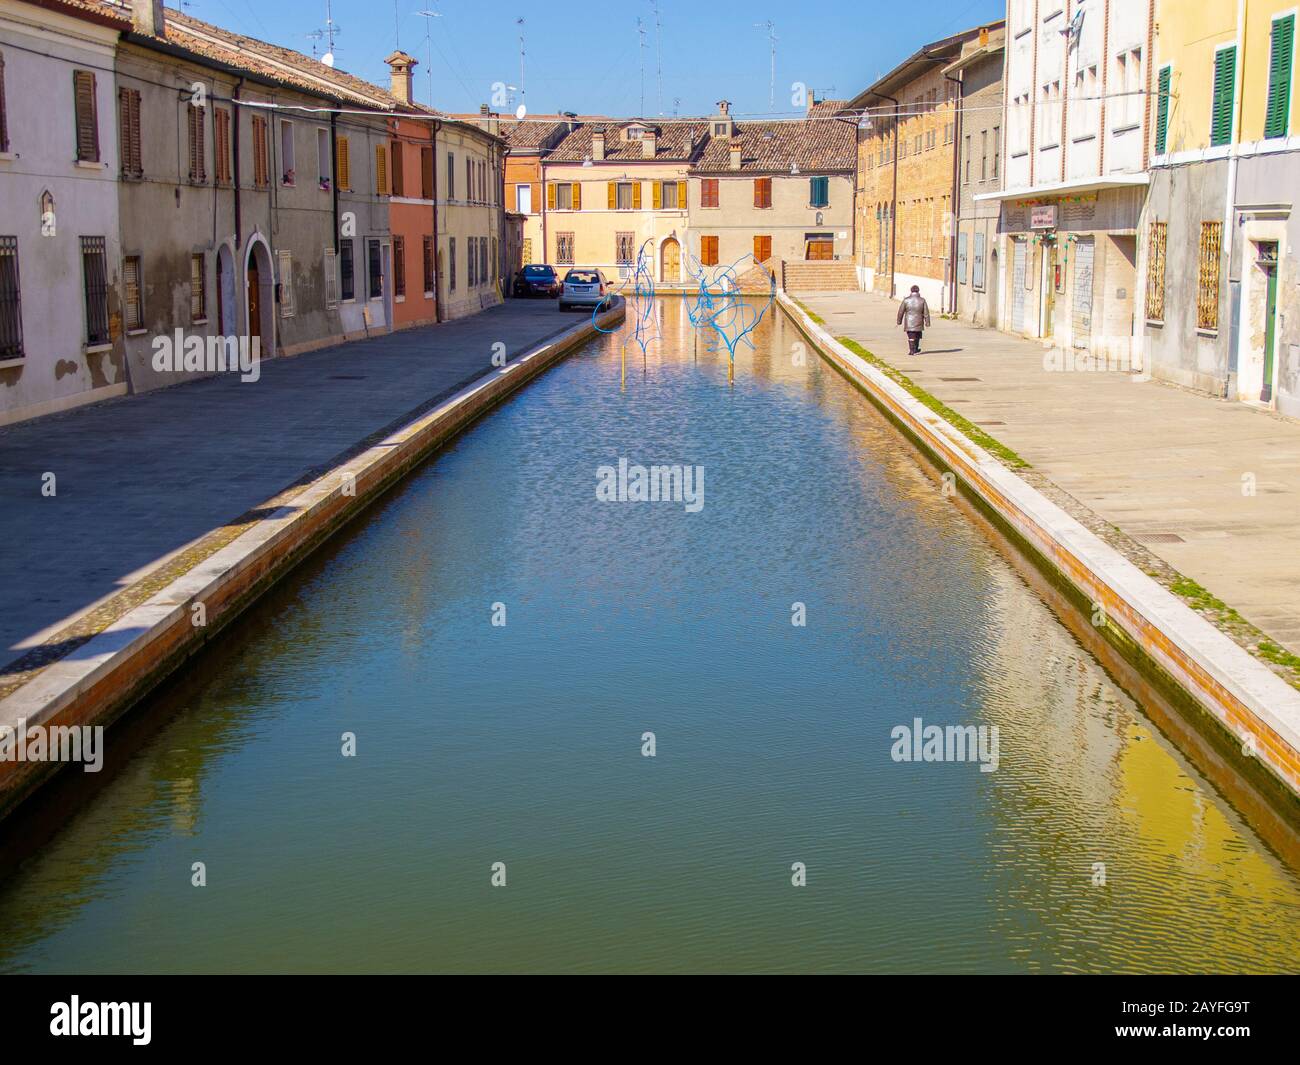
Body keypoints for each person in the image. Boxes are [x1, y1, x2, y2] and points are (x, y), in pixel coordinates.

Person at [896, 285, 931, 355]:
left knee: (911, 336)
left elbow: (901, 312)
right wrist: (927, 322)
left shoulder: (906, 300)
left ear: (911, 291)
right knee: (917, 335)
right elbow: (926, 313)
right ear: (918, 291)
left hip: (909, 322)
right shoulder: (922, 300)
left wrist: (899, 321)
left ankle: (912, 350)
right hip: (919, 321)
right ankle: (915, 348)